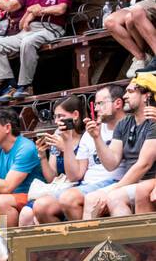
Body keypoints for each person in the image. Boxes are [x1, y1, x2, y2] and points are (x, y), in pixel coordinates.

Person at [55, 83, 144, 220]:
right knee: (42, 206)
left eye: (100, 103)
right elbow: (75, 175)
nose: (96, 108)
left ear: (118, 103)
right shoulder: (90, 132)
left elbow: (113, 166)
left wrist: (96, 137)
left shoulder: (129, 126)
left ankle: (88, 240)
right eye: (95, 104)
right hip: (86, 184)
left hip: (114, 181)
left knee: (69, 199)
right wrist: (67, 141)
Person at [81, 74, 156, 218]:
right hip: (133, 182)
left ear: (146, 96)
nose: (125, 96)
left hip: (149, 180)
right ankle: (92, 241)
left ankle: (129, 241)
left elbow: (144, 165)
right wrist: (97, 137)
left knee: (115, 197)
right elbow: (112, 163)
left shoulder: (153, 121)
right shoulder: (123, 123)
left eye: (131, 91)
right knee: (91, 199)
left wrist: (114, 189)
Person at [18, 96, 97, 225]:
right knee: (26, 214)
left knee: (37, 216)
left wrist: (66, 148)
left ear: (75, 115)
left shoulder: (86, 138)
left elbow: (78, 176)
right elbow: (51, 177)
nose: (57, 121)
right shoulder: (57, 136)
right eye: (55, 117)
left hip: (77, 187)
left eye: (61, 116)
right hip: (59, 186)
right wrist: (42, 155)